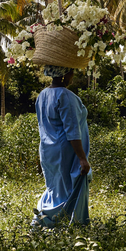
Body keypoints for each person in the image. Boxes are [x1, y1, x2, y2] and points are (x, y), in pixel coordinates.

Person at [33, 65, 91, 227]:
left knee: (54, 187)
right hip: (65, 151)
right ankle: (58, 222)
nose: (73, 75)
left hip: (47, 149)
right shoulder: (66, 96)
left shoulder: (42, 95)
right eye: (72, 72)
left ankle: (47, 219)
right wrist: (82, 158)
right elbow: (72, 131)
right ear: (65, 74)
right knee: (67, 188)